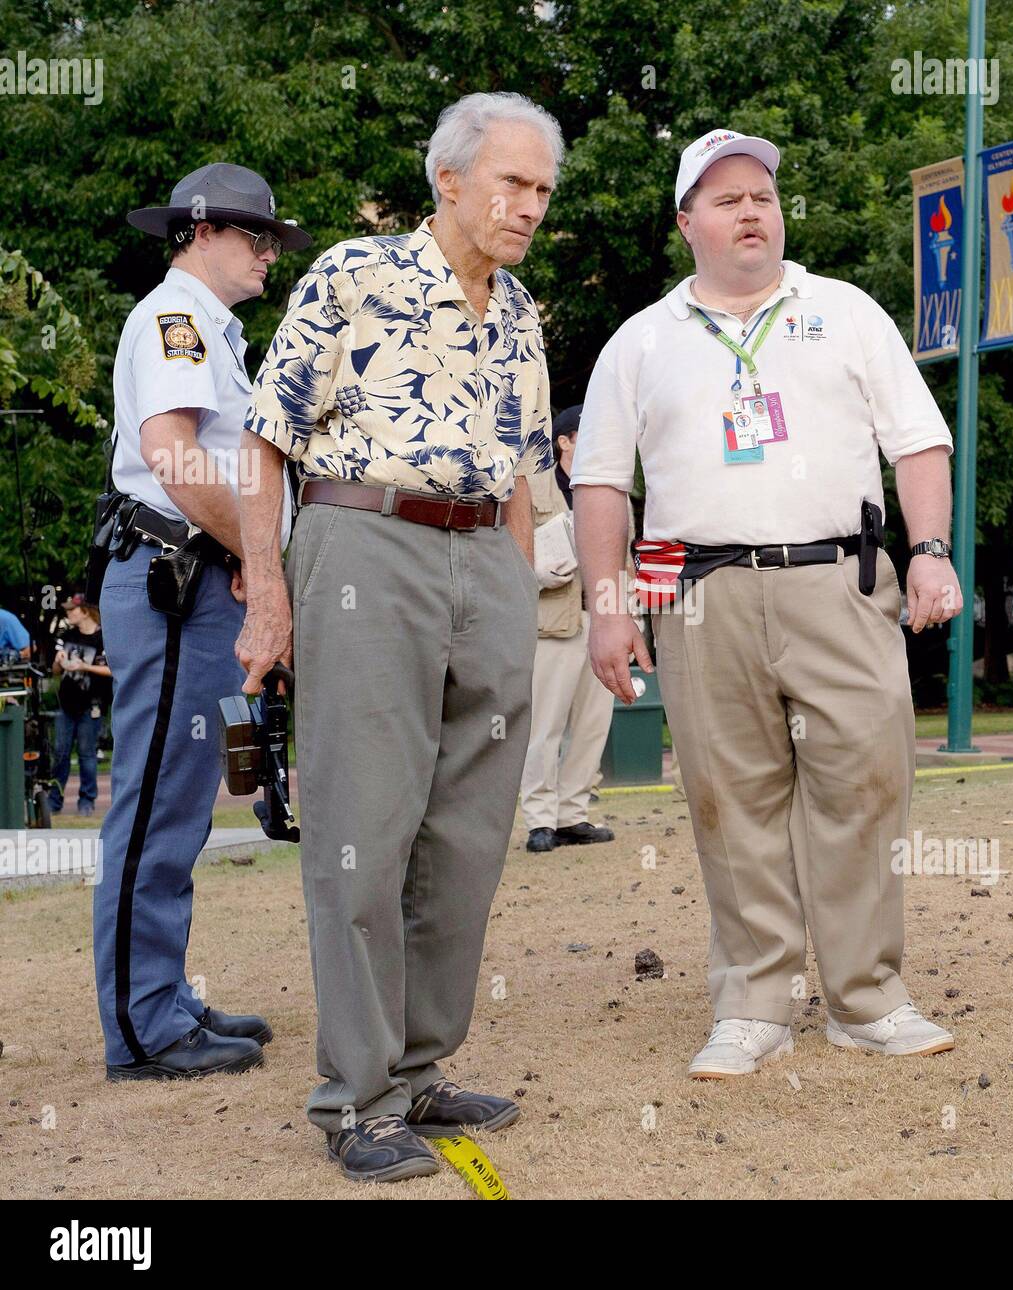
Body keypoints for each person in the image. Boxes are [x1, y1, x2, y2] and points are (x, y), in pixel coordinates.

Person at [572, 128, 961, 1081]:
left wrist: (932, 553)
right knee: (727, 796)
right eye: (727, 198)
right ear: (685, 222)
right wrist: (611, 607)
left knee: (867, 783)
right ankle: (752, 1004)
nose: (753, 210)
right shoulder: (642, 339)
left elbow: (918, 443)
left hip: (838, 573)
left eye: (764, 196)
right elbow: (602, 486)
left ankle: (867, 999)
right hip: (693, 586)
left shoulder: (846, 312)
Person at [237, 91, 562, 1183]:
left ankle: (418, 1068)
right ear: (451, 180)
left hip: (486, 560)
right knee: (361, 829)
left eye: (542, 191)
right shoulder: (352, 272)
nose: (528, 207)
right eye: (511, 183)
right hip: (364, 545)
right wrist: (266, 592)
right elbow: (267, 433)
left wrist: (515, 589)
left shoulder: (521, 313)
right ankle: (355, 1097)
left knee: (466, 836)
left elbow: (524, 472)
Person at [95, 162, 307, 1083]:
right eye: (255, 236)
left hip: (188, 581)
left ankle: (162, 996)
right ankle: (143, 1027)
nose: (268, 254)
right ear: (200, 233)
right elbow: (176, 461)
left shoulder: (207, 331)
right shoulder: (178, 322)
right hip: (174, 581)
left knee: (176, 804)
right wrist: (266, 575)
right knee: (153, 807)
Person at [520, 403, 627, 853]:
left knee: (592, 724)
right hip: (553, 622)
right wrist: (537, 573)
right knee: (544, 725)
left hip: (601, 619)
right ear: (565, 440)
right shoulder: (532, 485)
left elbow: (624, 556)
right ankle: (540, 819)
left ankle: (573, 814)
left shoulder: (606, 486)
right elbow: (511, 549)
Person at [49, 593, 112, 815]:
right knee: (61, 752)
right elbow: (56, 671)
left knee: (87, 755)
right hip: (66, 704)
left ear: (84, 611)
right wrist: (58, 663)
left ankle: (87, 802)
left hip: (91, 705)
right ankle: (54, 801)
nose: (68, 614)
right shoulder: (66, 635)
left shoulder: (103, 638)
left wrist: (84, 667)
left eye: (71, 610)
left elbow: (112, 670)